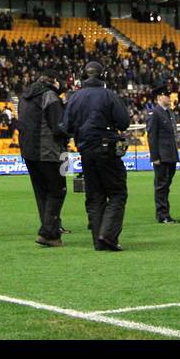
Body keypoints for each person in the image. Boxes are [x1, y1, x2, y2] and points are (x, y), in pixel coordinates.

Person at [61, 60, 129, 251]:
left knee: (95, 196)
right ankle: (108, 235)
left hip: (86, 151)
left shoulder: (74, 97)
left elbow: (66, 126)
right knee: (117, 193)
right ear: (102, 76)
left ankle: (98, 239)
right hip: (107, 149)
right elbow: (123, 121)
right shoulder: (109, 95)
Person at [17, 71, 69, 247]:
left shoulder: (24, 97)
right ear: (54, 81)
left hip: (29, 152)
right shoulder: (50, 96)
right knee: (57, 190)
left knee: (42, 194)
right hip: (49, 152)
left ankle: (52, 232)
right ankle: (47, 232)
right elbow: (58, 127)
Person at [146, 90, 180, 224]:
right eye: (167, 96)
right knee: (161, 185)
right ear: (159, 97)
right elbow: (151, 136)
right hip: (161, 154)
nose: (169, 98)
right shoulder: (155, 113)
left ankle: (165, 213)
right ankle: (162, 214)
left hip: (171, 154)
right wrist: (154, 156)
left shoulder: (169, 113)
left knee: (167, 184)